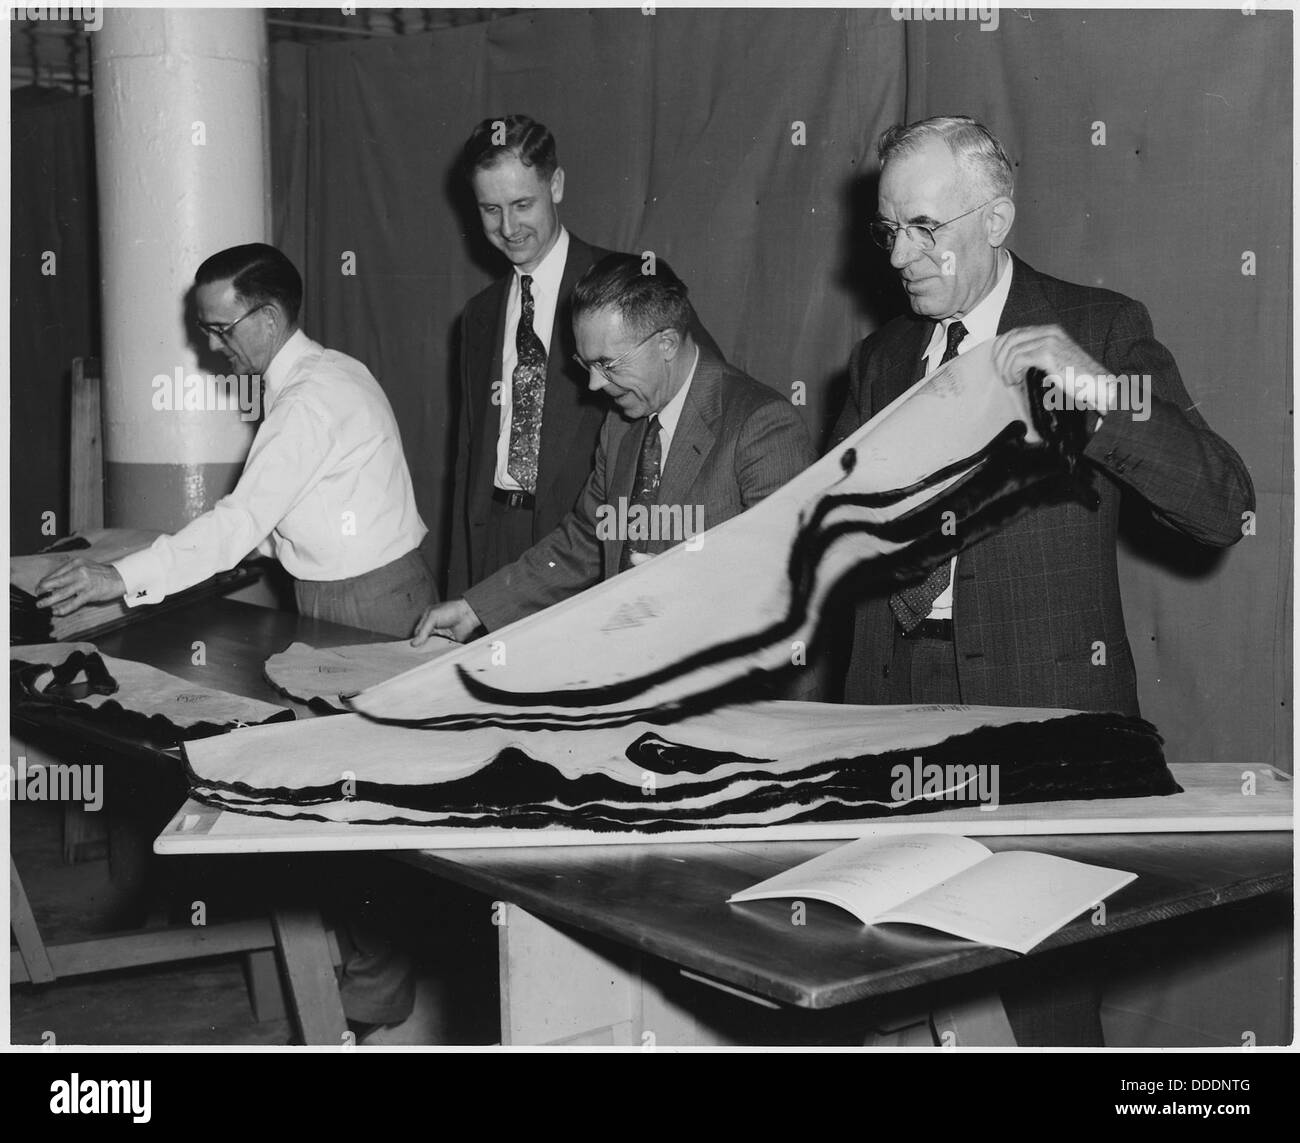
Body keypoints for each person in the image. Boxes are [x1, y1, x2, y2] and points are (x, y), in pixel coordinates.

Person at [831, 116, 1254, 715]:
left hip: (1043, 703)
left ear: (995, 221)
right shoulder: (881, 358)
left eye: (924, 229)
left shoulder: (1098, 329)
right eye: (890, 229)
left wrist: (1101, 393)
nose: (901, 255)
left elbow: (1224, 508)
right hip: (888, 696)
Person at [36, 243, 438, 637]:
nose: (212, 344)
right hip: (386, 587)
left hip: (361, 602)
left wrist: (120, 577)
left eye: (221, 330)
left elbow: (241, 520)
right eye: (205, 329)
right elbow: (305, 503)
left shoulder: (304, 403)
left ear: (268, 318)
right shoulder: (335, 369)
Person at [416, 252, 814, 645]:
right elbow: (588, 536)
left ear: (667, 343)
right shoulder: (621, 426)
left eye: (608, 364)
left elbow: (794, 574)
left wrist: (694, 588)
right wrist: (476, 609)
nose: (593, 384)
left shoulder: (762, 426)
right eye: (585, 363)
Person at [447, 114, 719, 597]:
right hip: (494, 541)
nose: (508, 227)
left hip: (587, 545)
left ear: (556, 185)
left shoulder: (628, 286)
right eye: (490, 209)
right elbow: (470, 458)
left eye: (522, 204)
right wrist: (463, 588)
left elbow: (707, 405)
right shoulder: (479, 314)